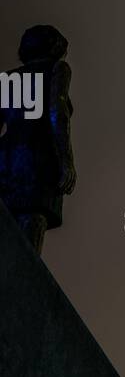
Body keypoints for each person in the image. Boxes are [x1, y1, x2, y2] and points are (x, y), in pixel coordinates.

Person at [0, 25, 76, 255]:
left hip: (6, 160)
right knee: (31, 229)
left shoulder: (7, 79)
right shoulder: (56, 69)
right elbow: (57, 112)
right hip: (38, 156)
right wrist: (66, 161)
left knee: (7, 230)